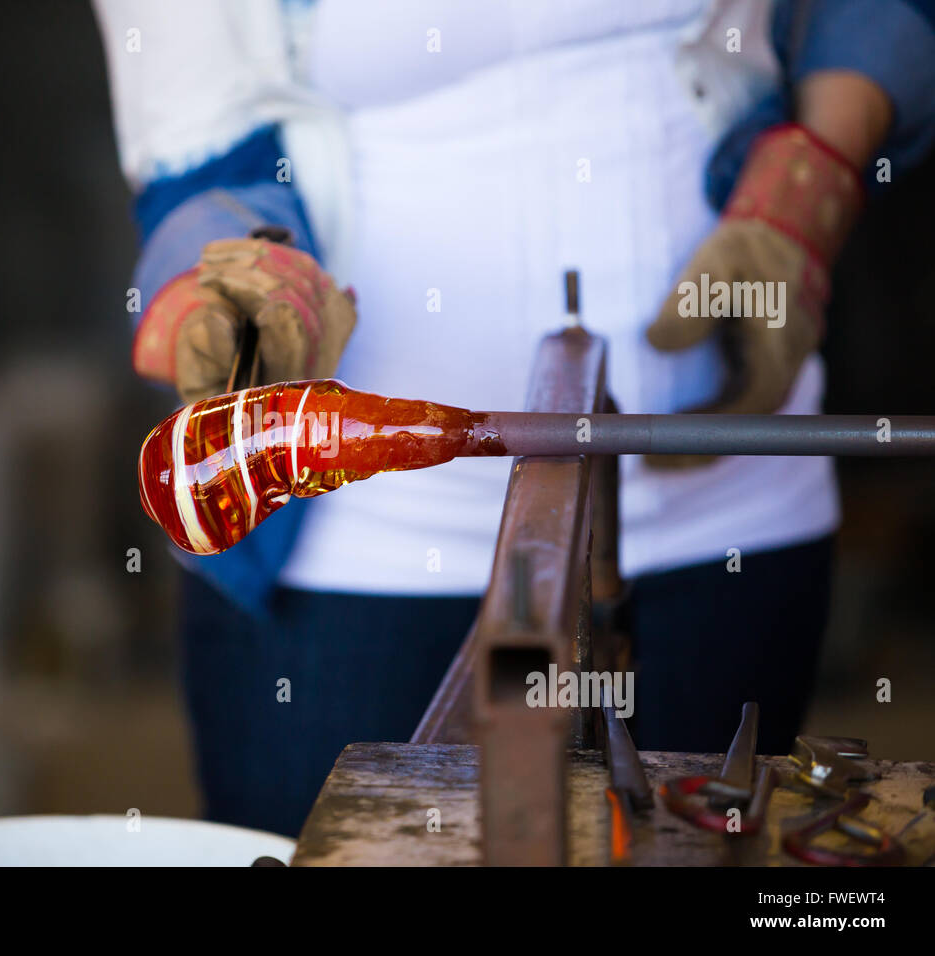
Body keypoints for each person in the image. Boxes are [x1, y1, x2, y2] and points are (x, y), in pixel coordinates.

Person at [93, 0, 935, 837]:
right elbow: (193, 151)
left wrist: (810, 183)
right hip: (361, 554)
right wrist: (238, 276)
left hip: (731, 514)